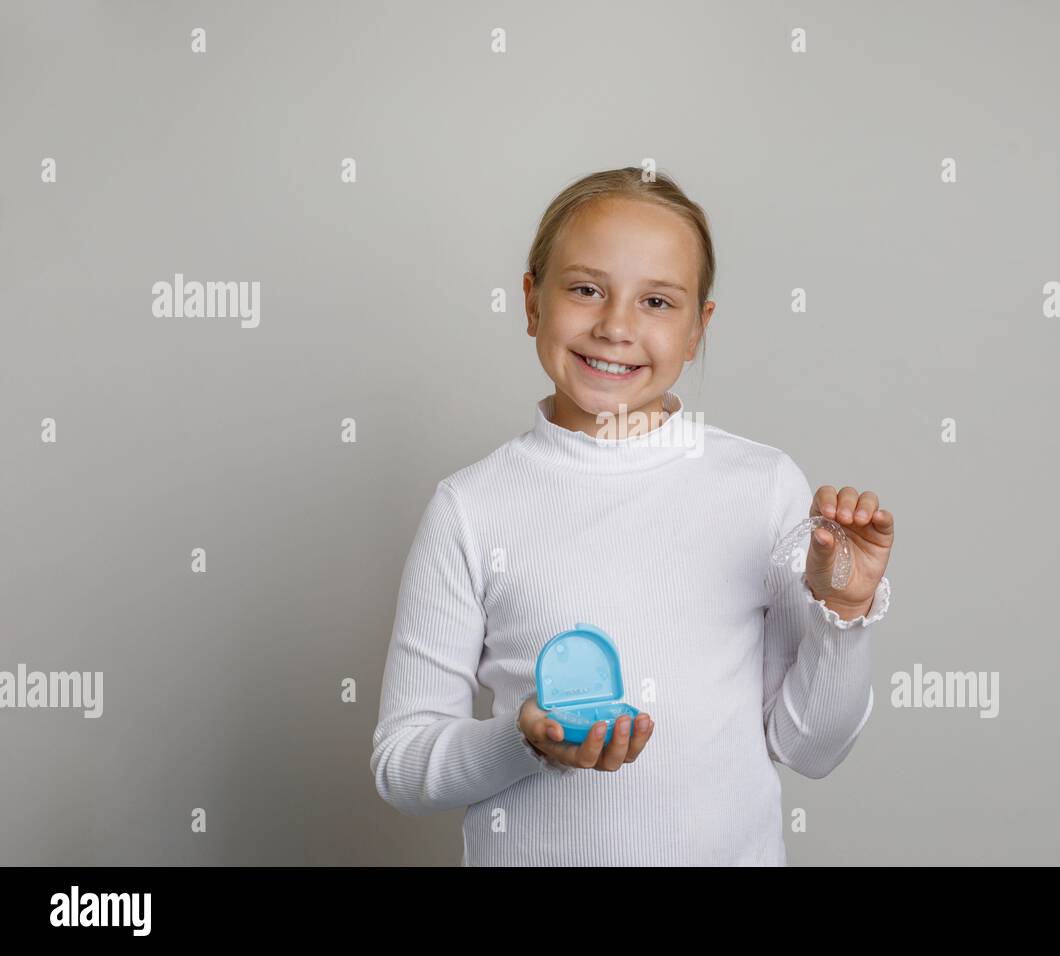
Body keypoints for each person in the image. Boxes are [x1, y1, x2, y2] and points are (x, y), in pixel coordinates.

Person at [370, 167, 895, 865]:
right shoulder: (470, 508)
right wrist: (524, 742)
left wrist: (845, 612)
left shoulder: (763, 488)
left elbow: (812, 749)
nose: (615, 326)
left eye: (656, 301)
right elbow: (403, 764)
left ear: (696, 330)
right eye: (586, 289)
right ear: (532, 302)